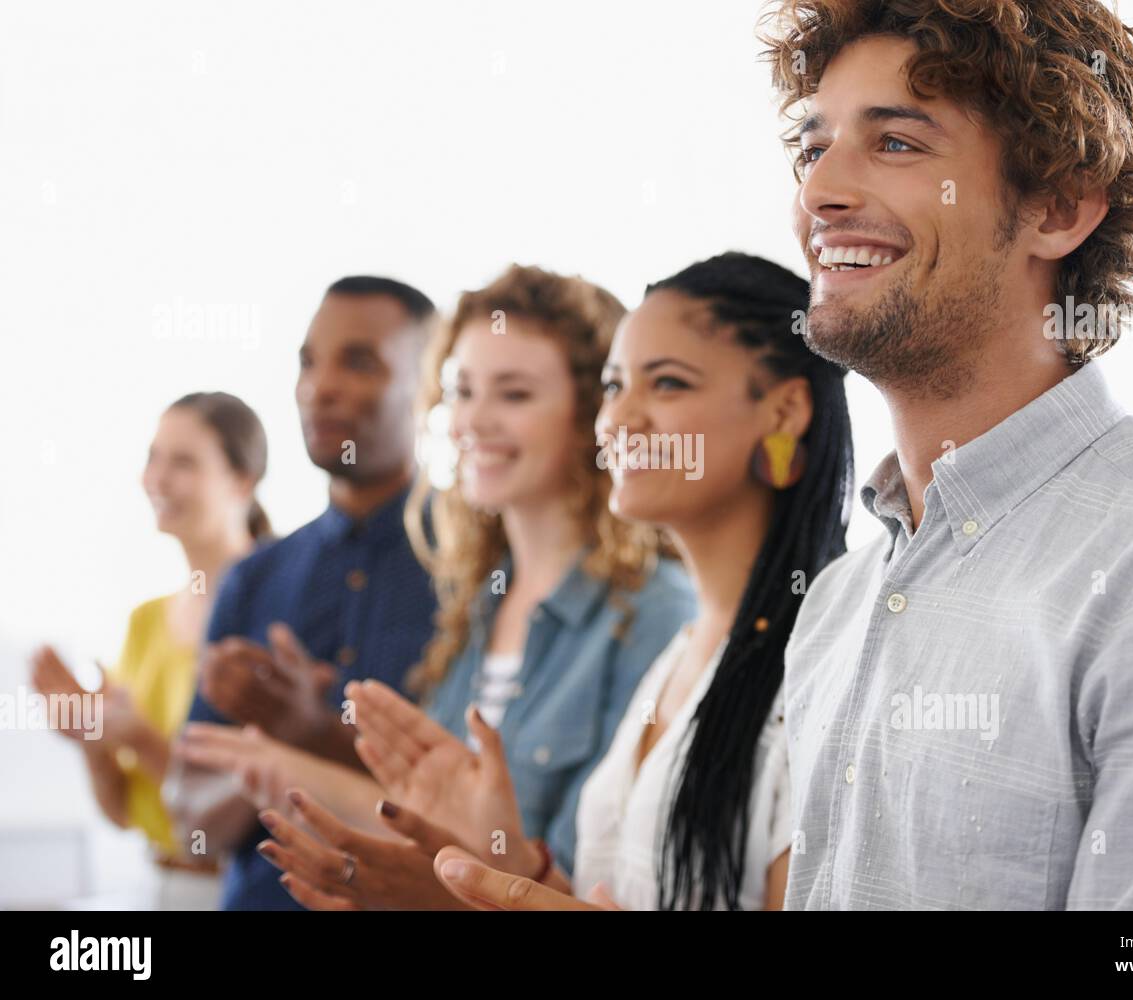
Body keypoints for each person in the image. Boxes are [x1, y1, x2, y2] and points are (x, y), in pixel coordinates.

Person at [758, 0, 1133, 909]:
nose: (818, 193)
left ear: (1057, 207)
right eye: (813, 149)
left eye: (895, 145)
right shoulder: (837, 606)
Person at [256, 252, 855, 911]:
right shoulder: (681, 652)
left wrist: (458, 895)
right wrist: (499, 862)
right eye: (614, 385)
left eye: (668, 384)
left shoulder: (807, 669)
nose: (618, 420)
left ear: (783, 412)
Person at [180, 264, 696, 904]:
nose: (474, 421)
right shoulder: (480, 602)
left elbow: (576, 875)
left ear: (590, 412)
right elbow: (436, 824)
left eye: (513, 394)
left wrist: (295, 770)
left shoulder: (654, 613)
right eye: (462, 390)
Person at [170, 276, 441, 910]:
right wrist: (270, 747)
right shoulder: (255, 577)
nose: (321, 387)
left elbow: (477, 824)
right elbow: (193, 830)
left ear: (428, 387)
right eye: (308, 362)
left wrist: (306, 734)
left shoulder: (476, 570)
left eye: (359, 361)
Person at [30, 392, 270, 905]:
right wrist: (93, 744)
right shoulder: (145, 622)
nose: (156, 479)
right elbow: (122, 814)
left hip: (240, 890)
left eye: (182, 462)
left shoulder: (275, 613)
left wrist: (140, 739)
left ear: (242, 480)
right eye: (152, 457)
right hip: (158, 885)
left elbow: (257, 810)